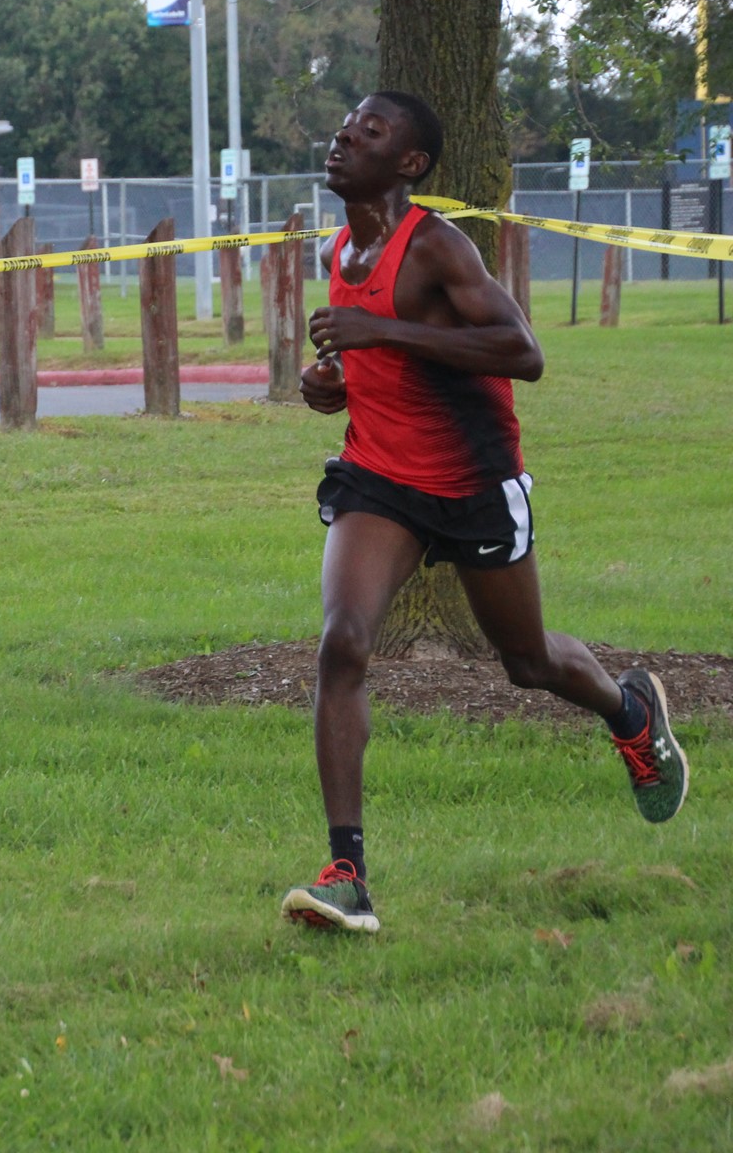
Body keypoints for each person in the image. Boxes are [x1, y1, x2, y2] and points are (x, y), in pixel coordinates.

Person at [284, 90, 689, 934]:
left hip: (472, 483)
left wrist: (380, 334)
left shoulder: (435, 245)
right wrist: (330, 385)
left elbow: (522, 353)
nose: (343, 136)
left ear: (410, 164)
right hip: (379, 479)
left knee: (528, 662)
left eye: (370, 130)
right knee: (342, 644)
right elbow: (363, 362)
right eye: (346, 125)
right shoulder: (339, 249)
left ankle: (630, 711)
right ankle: (347, 873)